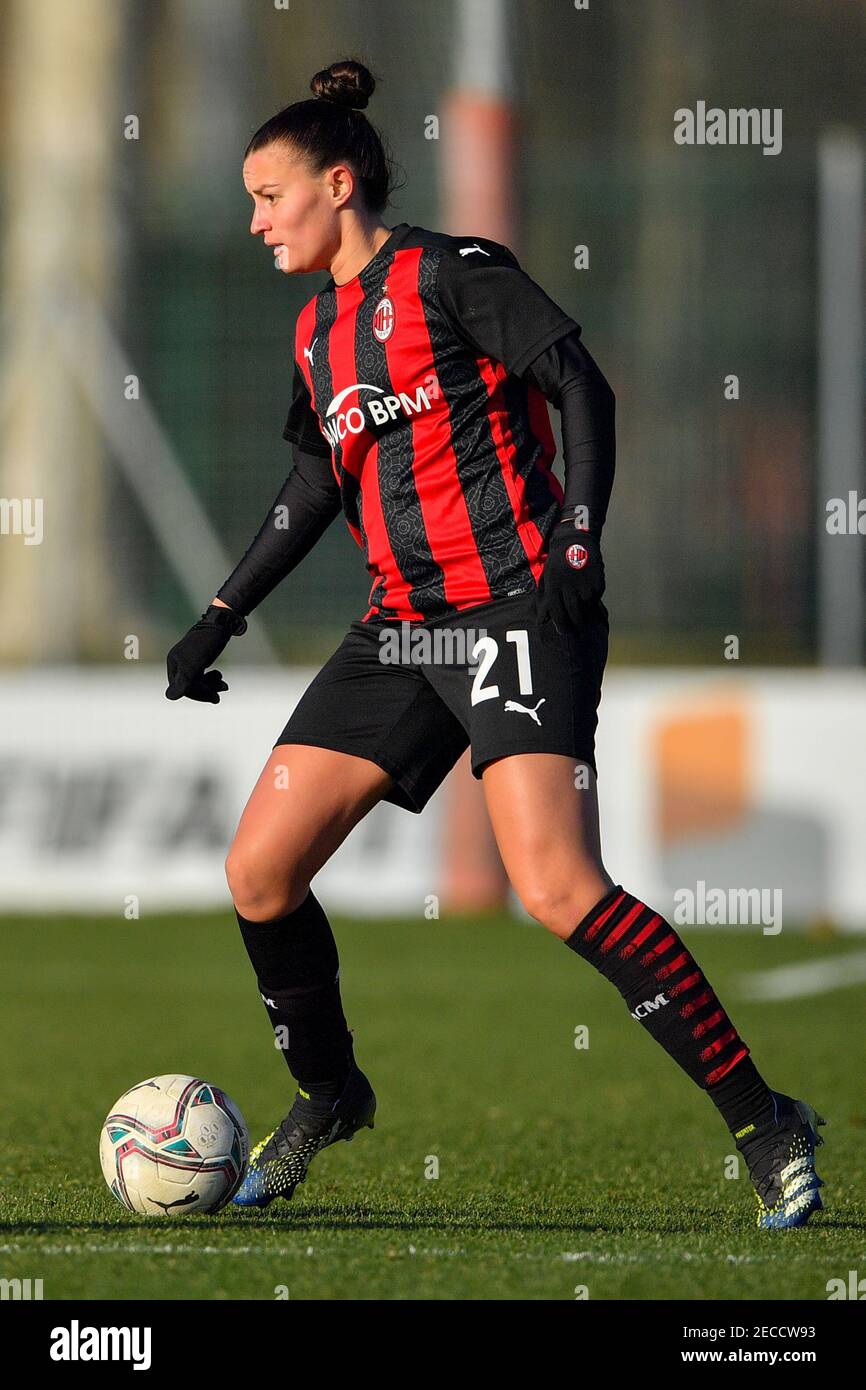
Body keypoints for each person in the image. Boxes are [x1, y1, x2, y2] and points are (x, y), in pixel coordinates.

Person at [165, 58, 825, 1228]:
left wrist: (579, 532)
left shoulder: (451, 273)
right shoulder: (318, 331)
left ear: (337, 182)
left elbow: (579, 384)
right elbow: (315, 480)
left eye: (269, 195)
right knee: (259, 875)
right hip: (399, 630)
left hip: (516, 608)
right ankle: (331, 1093)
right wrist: (221, 614)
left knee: (559, 889)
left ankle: (763, 1119)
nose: (255, 219)